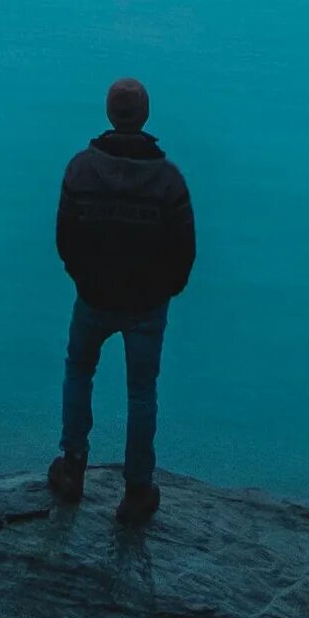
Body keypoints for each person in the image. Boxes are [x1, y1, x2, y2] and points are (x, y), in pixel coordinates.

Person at [49, 76, 195, 521]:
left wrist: (84, 280)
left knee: (79, 371)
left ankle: (73, 465)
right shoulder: (168, 180)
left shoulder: (80, 169)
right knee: (141, 391)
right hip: (146, 305)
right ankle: (137, 489)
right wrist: (163, 290)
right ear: (145, 116)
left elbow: (64, 239)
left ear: (110, 115)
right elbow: (184, 250)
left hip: (93, 297)